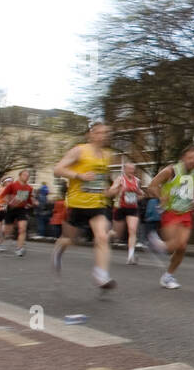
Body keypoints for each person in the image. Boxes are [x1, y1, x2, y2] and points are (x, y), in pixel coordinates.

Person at [52, 122, 116, 290]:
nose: (103, 136)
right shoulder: (79, 150)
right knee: (70, 239)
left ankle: (101, 275)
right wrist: (79, 175)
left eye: (106, 133)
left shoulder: (107, 155)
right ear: (91, 134)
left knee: (102, 236)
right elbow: (57, 169)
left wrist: (111, 190)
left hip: (97, 203)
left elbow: (102, 180)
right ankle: (59, 250)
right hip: (77, 203)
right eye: (99, 132)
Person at [145, 145, 194, 289]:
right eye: (190, 158)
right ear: (183, 158)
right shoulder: (170, 171)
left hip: (186, 213)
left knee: (182, 247)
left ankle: (168, 276)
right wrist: (161, 196)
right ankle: (157, 245)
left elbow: (191, 188)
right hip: (171, 211)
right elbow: (151, 186)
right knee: (175, 245)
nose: (192, 161)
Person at [111, 161, 144, 264]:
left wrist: (137, 196)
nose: (131, 171)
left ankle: (130, 256)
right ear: (124, 169)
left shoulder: (137, 180)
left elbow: (142, 194)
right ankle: (103, 236)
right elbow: (112, 190)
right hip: (120, 208)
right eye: (129, 169)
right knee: (117, 234)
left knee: (132, 230)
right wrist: (119, 189)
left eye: (133, 169)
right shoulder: (120, 179)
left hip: (132, 208)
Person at [0, 169, 35, 257]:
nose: (26, 177)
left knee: (22, 228)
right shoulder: (12, 185)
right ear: (20, 176)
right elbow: (3, 196)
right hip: (11, 209)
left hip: (21, 209)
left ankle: (19, 248)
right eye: (24, 175)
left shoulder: (29, 188)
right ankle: (2, 241)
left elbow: (29, 200)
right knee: (8, 230)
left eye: (28, 176)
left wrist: (33, 203)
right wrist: (9, 202)